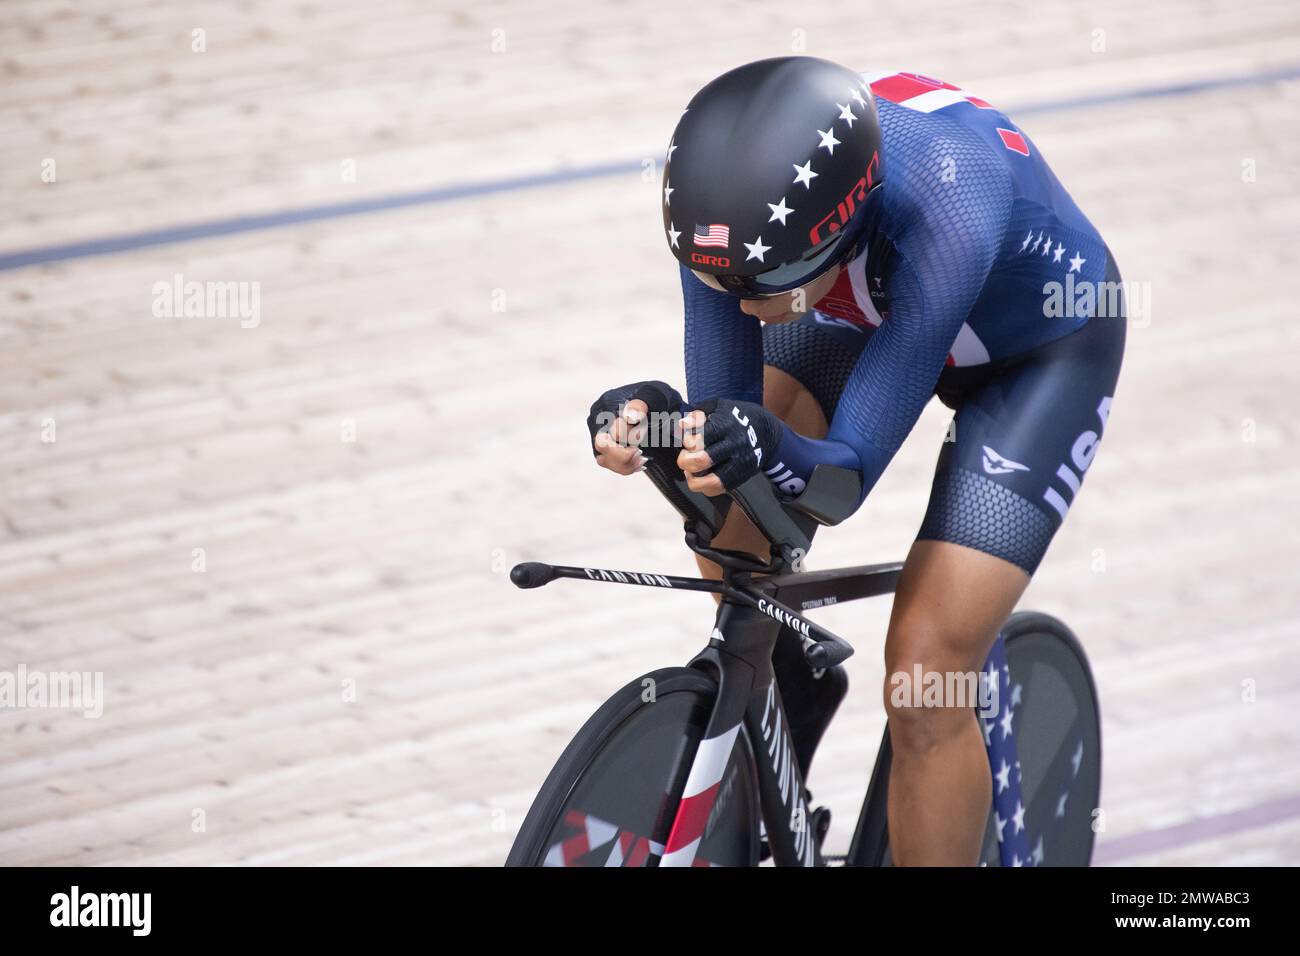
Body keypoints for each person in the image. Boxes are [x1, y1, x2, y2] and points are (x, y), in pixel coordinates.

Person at [587, 56, 1125, 865]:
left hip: (1039, 352)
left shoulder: (950, 206)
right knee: (731, 530)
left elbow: (843, 480)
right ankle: (791, 686)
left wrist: (763, 444)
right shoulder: (729, 214)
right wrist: (661, 428)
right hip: (863, 302)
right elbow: (723, 432)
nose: (739, 302)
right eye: (715, 277)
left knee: (924, 674)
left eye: (761, 283)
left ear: (839, 226)